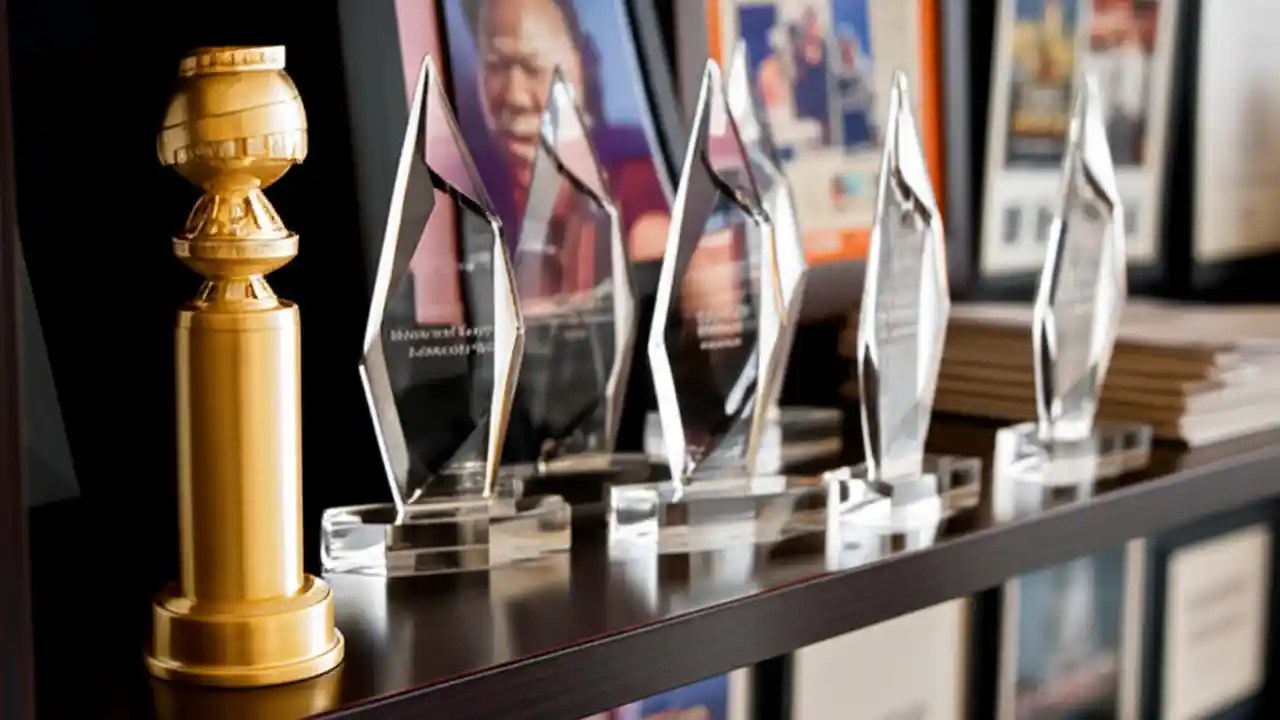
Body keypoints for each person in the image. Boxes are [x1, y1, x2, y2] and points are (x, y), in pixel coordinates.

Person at [470, 0, 671, 267]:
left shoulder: (636, 184)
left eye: (533, 69)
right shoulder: (463, 188)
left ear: (580, 70)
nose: (514, 96)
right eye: (496, 66)